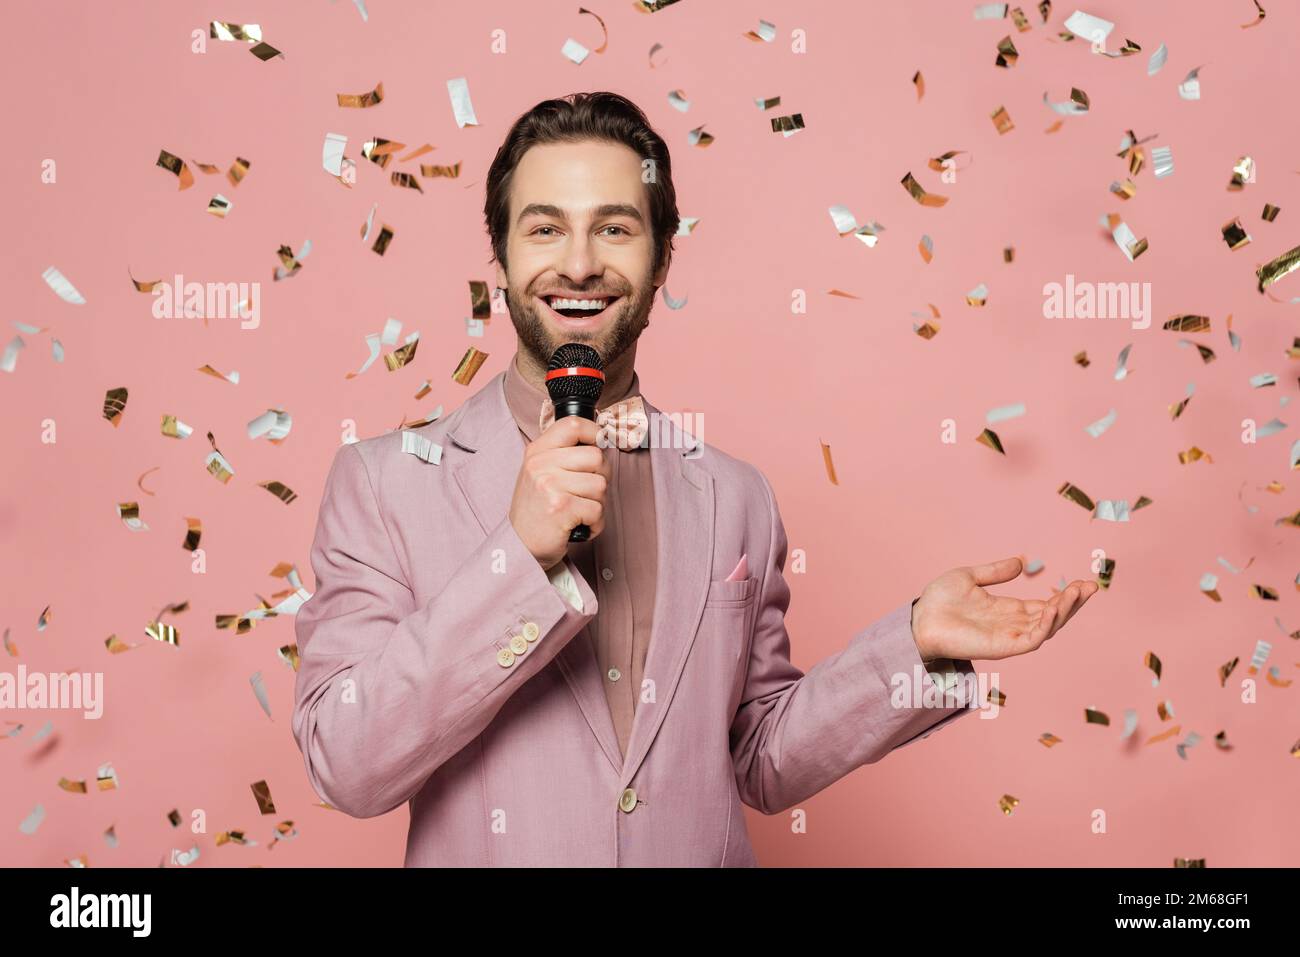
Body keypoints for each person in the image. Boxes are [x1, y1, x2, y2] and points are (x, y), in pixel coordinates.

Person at [291, 91, 1098, 867]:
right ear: (499, 255)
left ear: (663, 253)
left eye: (614, 227)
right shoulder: (382, 482)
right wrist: (518, 557)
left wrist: (914, 643)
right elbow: (348, 764)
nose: (579, 264)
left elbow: (761, 758)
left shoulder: (734, 495)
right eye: (544, 229)